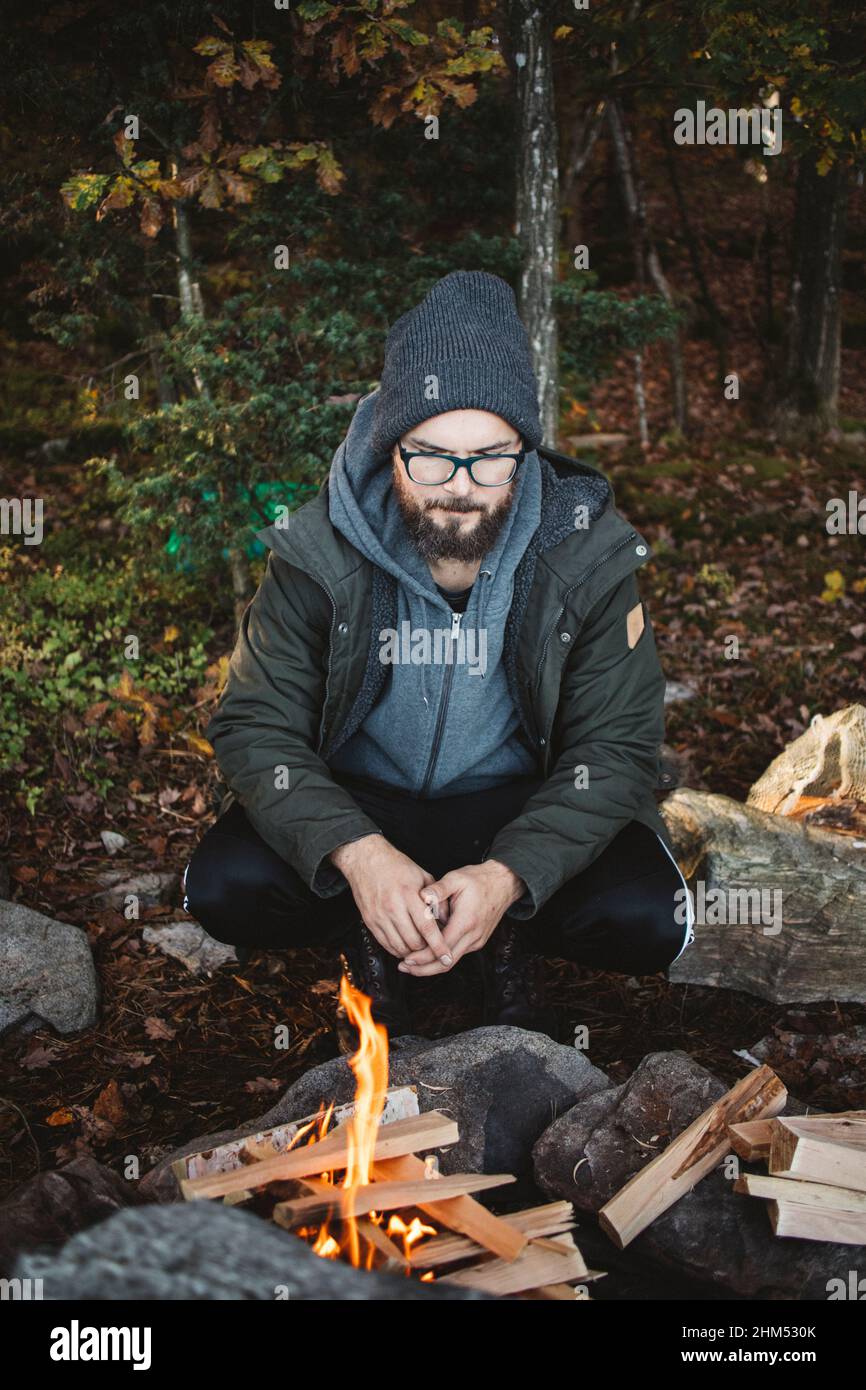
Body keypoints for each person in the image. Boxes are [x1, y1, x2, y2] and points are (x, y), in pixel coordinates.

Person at [182, 270, 695, 1053]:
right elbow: (255, 725)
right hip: (364, 801)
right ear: (392, 446)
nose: (460, 489)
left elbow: (617, 750)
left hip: (512, 805)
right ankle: (373, 929)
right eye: (431, 458)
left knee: (650, 916)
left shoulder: (586, 553)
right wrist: (358, 856)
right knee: (223, 888)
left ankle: (505, 933)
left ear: (525, 451)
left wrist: (509, 874)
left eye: (490, 460)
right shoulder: (318, 551)